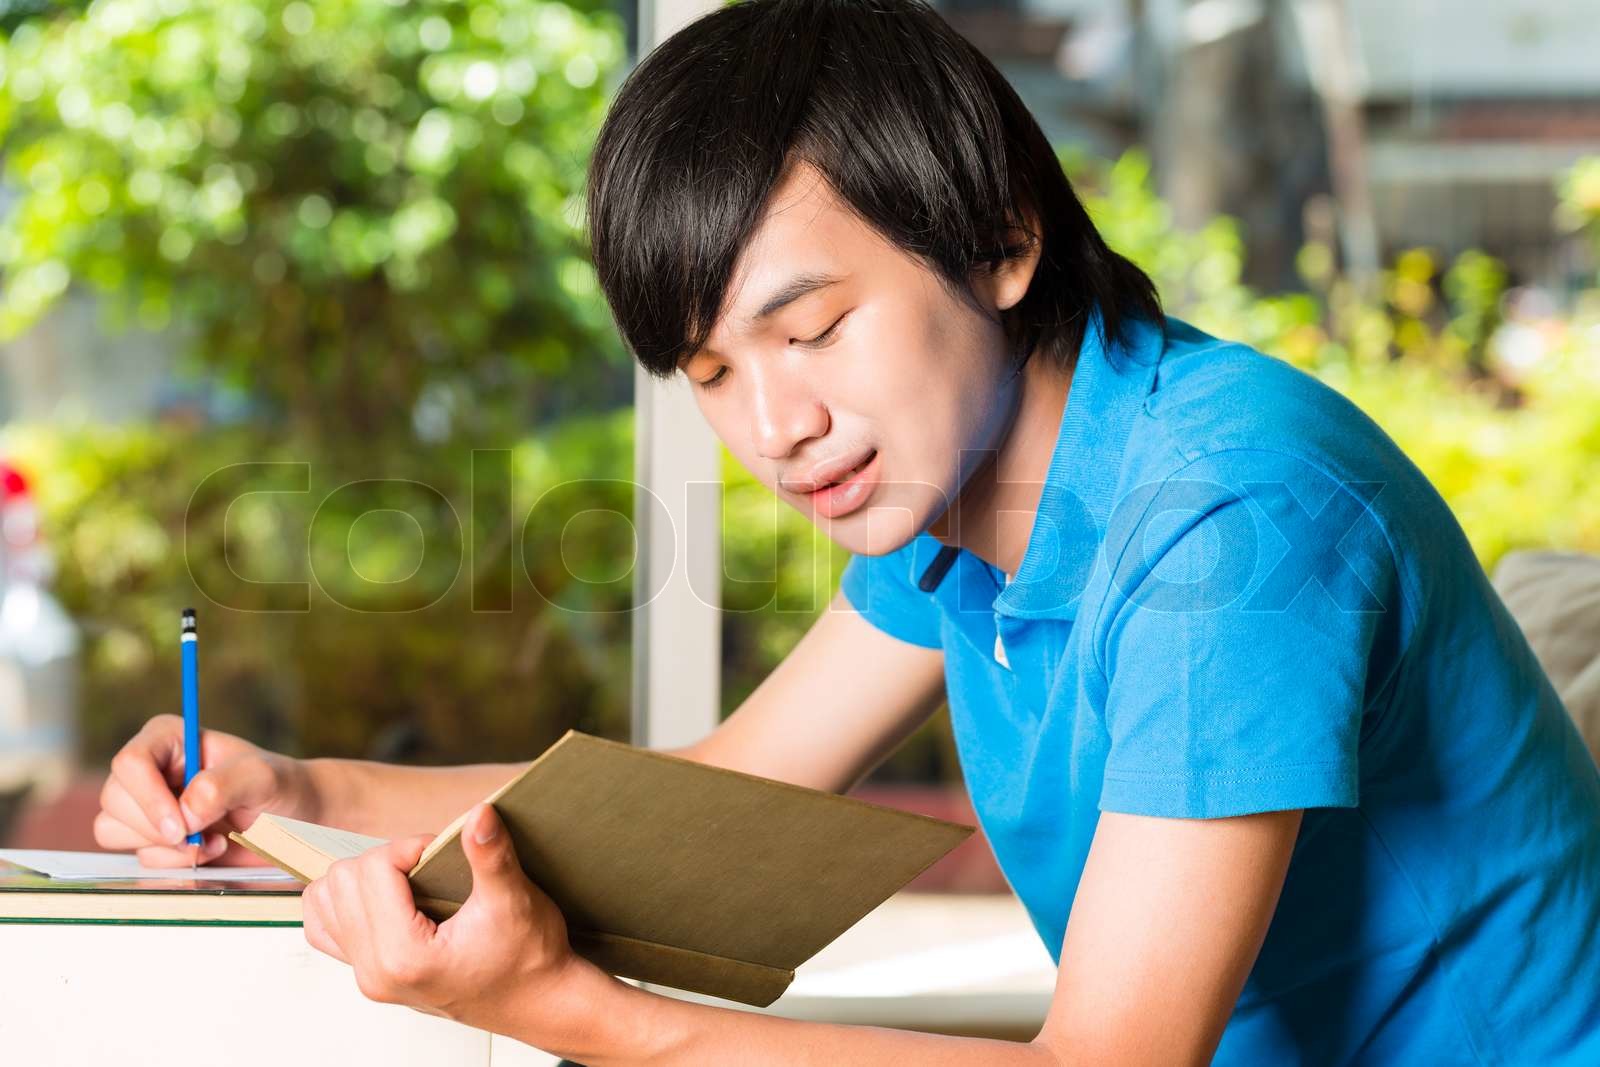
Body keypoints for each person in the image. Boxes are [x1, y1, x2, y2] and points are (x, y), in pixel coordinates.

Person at [96, 0, 1600, 1062]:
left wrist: (565, 1009)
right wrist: (299, 791)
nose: (773, 426)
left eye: (810, 330)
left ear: (1001, 240)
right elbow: (727, 792)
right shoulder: (960, 492)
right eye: (710, 374)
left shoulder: (1228, 512)